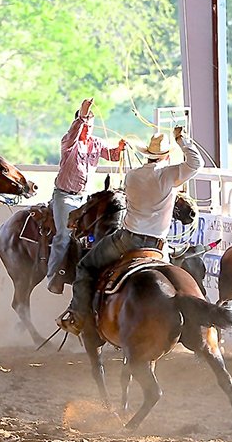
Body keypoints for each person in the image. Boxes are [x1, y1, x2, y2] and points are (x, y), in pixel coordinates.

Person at [57, 125, 202, 336]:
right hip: (159, 246)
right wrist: (182, 140)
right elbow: (196, 163)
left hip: (127, 240)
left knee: (86, 266)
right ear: (167, 155)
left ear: (148, 154)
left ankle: (78, 316)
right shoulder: (169, 175)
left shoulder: (132, 176)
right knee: (178, 269)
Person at [46, 98, 125, 294]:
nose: (88, 128)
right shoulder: (69, 143)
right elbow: (74, 133)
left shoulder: (96, 143)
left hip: (84, 198)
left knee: (90, 234)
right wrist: (82, 115)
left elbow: (112, 156)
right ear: (78, 125)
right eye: (85, 124)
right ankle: (53, 275)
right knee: (63, 235)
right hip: (65, 196)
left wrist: (120, 148)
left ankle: (87, 270)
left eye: (90, 125)